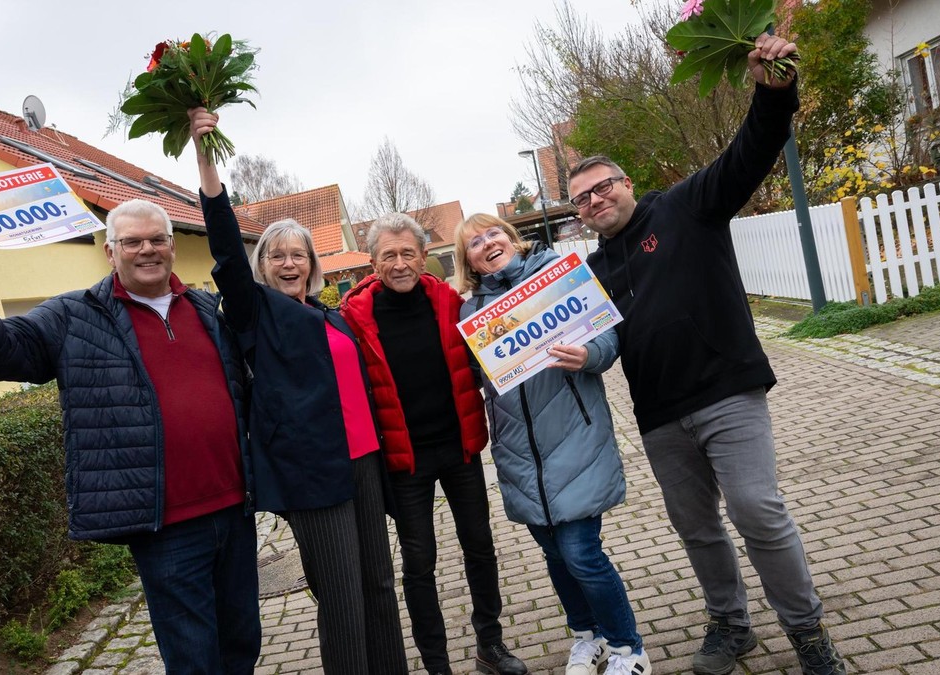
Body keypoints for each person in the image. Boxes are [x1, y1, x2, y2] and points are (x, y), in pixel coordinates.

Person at [572, 34, 846, 675]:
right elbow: (584, 340)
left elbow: (752, 150)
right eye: (582, 197)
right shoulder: (589, 274)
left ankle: (807, 632)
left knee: (757, 508)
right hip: (660, 414)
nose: (595, 200)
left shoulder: (688, 205)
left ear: (625, 182)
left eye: (602, 186)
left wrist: (773, 88)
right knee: (695, 527)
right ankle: (730, 624)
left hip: (727, 392)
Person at [0, 199, 259, 675]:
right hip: (167, 524)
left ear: (172, 247)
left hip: (235, 509)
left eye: (157, 240)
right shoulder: (74, 315)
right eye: (132, 242)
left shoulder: (204, 307)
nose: (147, 250)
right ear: (109, 252)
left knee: (242, 643)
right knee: (195, 659)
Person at [189, 108, 408, 675]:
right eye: (278, 255)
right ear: (264, 265)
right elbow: (225, 252)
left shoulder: (330, 317)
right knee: (341, 600)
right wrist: (207, 159)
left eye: (299, 255)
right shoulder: (255, 312)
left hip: (363, 464)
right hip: (313, 476)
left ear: (313, 265)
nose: (290, 263)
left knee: (379, 587)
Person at [453, 214, 652, 675]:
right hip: (519, 453)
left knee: (582, 553)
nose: (488, 244)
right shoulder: (471, 313)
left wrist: (588, 355)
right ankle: (589, 637)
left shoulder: (557, 276)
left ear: (511, 237)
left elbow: (606, 338)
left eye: (493, 234)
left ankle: (628, 648)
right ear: (469, 261)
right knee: (555, 555)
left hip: (573, 439)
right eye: (475, 243)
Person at [340, 213, 527, 675]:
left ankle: (490, 643)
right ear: (372, 263)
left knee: (480, 546)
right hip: (405, 462)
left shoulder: (451, 303)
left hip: (459, 448)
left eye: (408, 253)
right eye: (389, 255)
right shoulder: (353, 319)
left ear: (425, 257)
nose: (400, 263)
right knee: (420, 564)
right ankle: (437, 664)